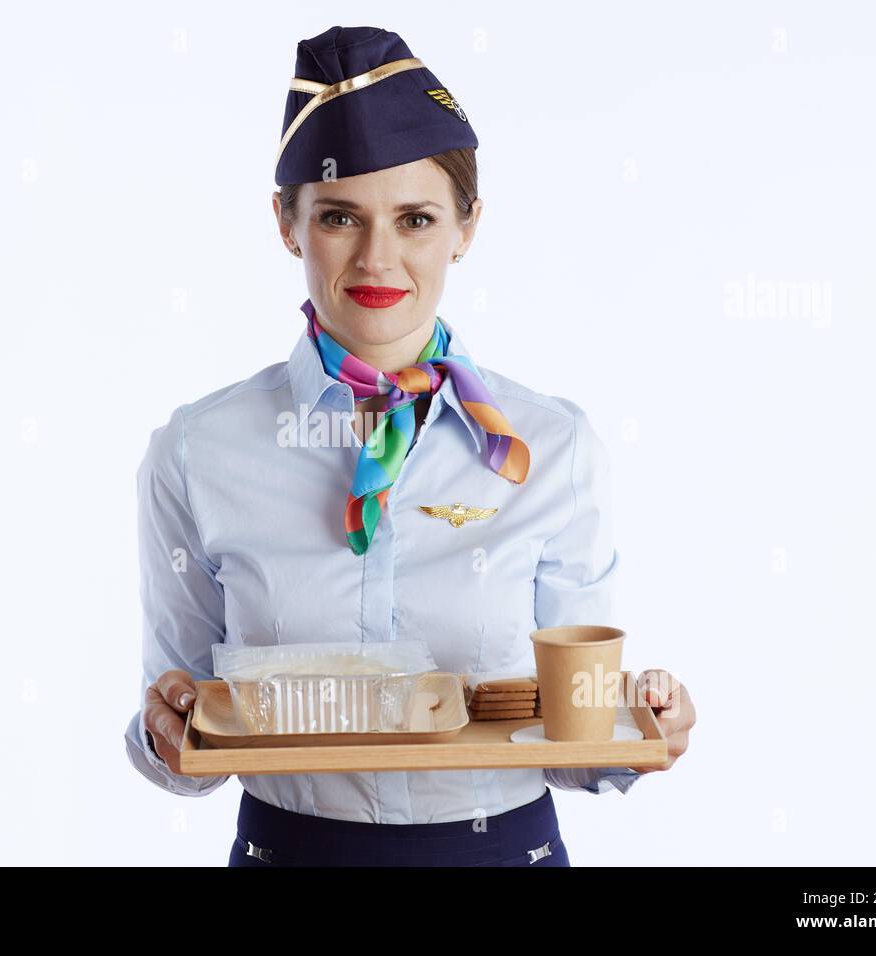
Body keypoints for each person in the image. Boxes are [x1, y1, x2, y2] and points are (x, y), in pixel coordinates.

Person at [123, 24, 695, 867]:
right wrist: (163, 728)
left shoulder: (553, 446)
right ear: (288, 223)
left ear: (466, 227)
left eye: (417, 218)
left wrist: (645, 727)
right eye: (340, 217)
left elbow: (580, 734)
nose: (378, 257)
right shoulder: (196, 453)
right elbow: (177, 733)